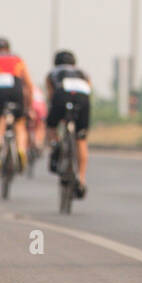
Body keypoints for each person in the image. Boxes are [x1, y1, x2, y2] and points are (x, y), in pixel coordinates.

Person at [0, 37, 34, 175]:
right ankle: (21, 150)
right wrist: (29, 106)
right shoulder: (17, 59)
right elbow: (29, 85)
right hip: (16, 88)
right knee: (19, 124)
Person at [45, 49, 92, 198]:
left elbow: (51, 95)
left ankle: (55, 147)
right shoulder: (83, 73)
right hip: (82, 99)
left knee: (51, 126)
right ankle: (82, 179)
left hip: (61, 96)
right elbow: (89, 89)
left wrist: (58, 114)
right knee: (81, 139)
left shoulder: (52, 73)